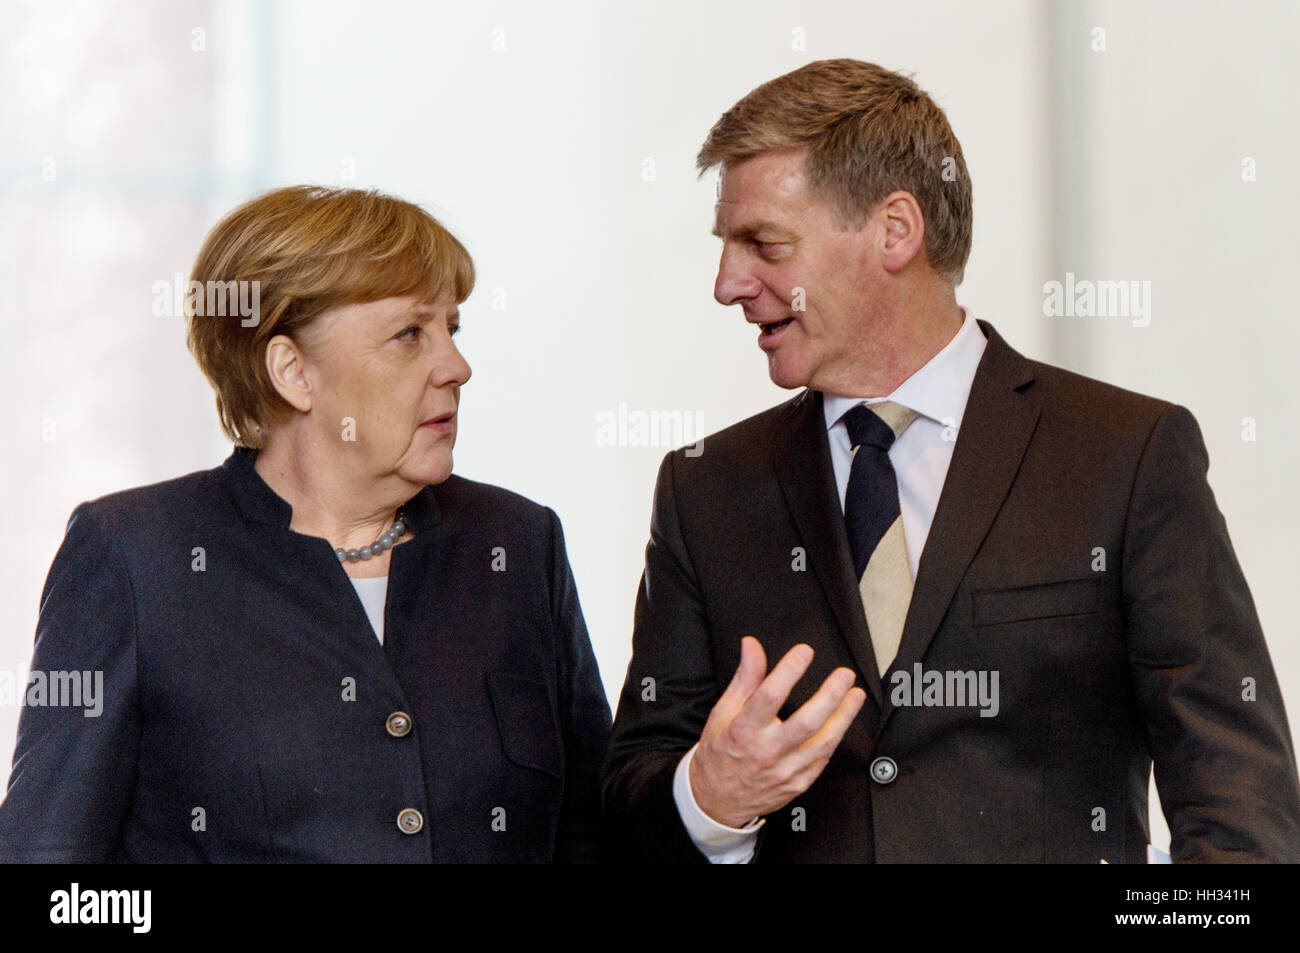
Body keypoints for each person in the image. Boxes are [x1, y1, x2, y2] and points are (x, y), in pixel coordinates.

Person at [603, 59, 1300, 863]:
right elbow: (624, 805)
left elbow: (1239, 813)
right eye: (727, 246)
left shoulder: (1127, 455)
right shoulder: (705, 488)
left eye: (763, 243)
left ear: (895, 231)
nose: (728, 283)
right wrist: (709, 798)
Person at [0, 185, 611, 863]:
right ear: (294, 372)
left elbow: (596, 838)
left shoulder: (518, 542)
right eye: (411, 334)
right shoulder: (135, 555)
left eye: (452, 328)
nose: (457, 366)